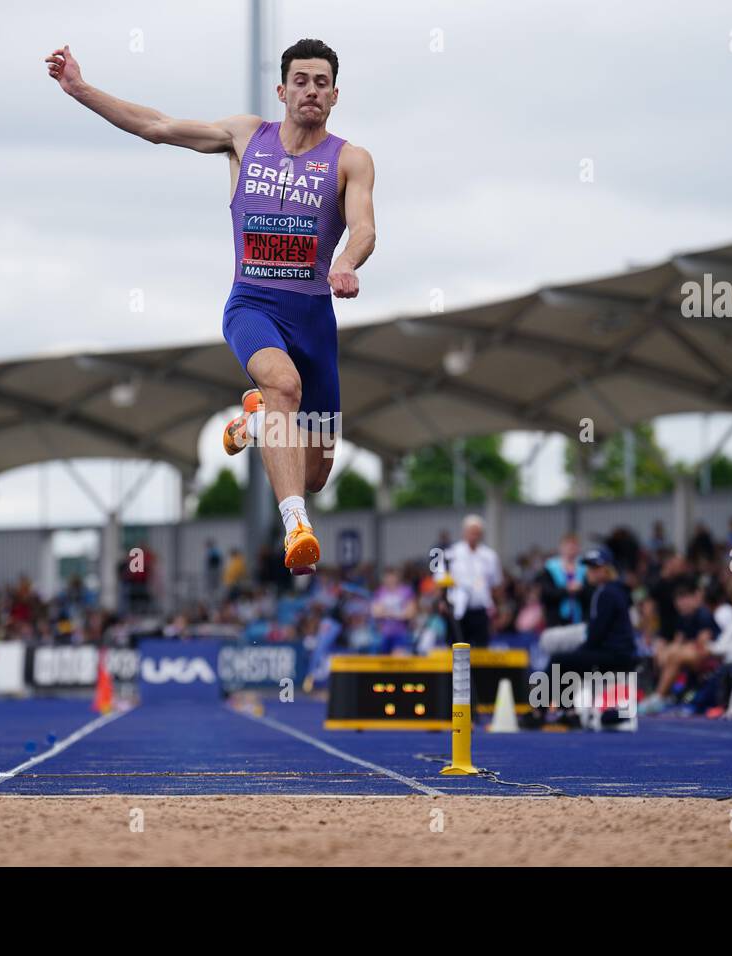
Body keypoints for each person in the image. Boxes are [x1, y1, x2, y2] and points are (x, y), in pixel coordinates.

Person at [46, 38, 376, 576]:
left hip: (314, 318)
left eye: (321, 83)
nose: (310, 91)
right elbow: (157, 126)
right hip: (253, 305)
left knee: (315, 470)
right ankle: (296, 525)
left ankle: (256, 418)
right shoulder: (245, 136)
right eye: (301, 80)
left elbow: (363, 226)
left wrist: (348, 262)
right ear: (282, 89)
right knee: (284, 388)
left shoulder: (350, 159)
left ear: (335, 95)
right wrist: (81, 89)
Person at [546, 547, 638, 719]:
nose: (590, 572)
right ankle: (569, 712)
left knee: (559, 660)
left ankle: (539, 710)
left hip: (616, 656)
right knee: (569, 660)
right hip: (620, 653)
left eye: (595, 568)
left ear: (607, 570)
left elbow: (597, 634)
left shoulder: (607, 593)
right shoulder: (614, 590)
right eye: (589, 568)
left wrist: (581, 651)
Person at [642, 583, 718, 713]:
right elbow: (678, 641)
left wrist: (675, 650)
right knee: (664, 653)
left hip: (708, 656)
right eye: (678, 600)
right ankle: (661, 694)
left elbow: (702, 643)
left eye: (684, 599)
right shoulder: (683, 618)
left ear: (693, 599)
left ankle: (660, 696)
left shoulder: (702, 614)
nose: (680, 604)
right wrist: (664, 652)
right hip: (688, 654)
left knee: (675, 656)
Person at [445, 515, 504, 648]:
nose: (474, 536)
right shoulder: (452, 553)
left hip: (480, 609)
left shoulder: (489, 556)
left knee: (481, 649)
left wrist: (497, 609)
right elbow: (441, 581)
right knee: (456, 649)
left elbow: (496, 584)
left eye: (477, 533)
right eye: (471, 533)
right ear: (464, 532)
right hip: (457, 609)